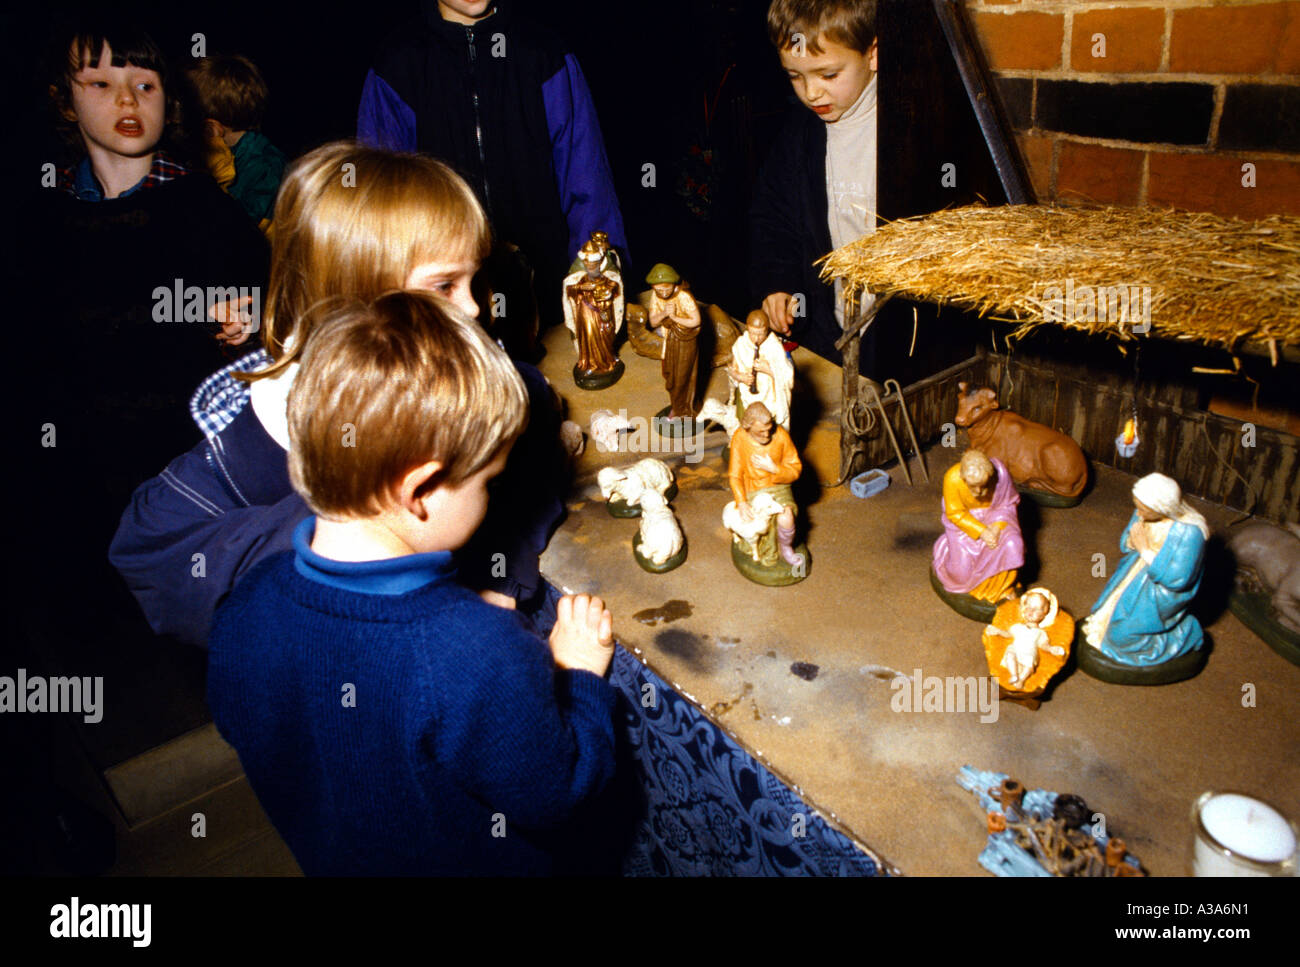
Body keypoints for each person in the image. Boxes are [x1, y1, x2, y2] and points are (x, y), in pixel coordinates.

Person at [207, 292, 618, 875]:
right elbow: (559, 794)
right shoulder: (474, 651)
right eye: (489, 482)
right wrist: (573, 676)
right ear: (420, 490)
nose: (492, 497)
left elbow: (256, 718)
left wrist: (444, 619)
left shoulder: (244, 606)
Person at [110, 142, 568, 649]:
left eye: (473, 280)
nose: (474, 308)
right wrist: (342, 530)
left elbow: (533, 435)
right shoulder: (268, 431)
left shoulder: (476, 381)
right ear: (361, 302)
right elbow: (147, 550)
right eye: (444, 286)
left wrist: (500, 578)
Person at [358, 0, 628, 341]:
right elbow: (380, 212)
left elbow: (589, 185)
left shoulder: (546, 54)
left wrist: (601, 285)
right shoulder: (397, 64)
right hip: (444, 318)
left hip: (552, 312)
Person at [750, 0, 879, 364]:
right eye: (795, 75)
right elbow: (774, 218)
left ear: (872, 54)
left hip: (895, 339)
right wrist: (778, 282)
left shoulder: (908, 128)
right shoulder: (800, 133)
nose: (810, 93)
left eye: (828, 75)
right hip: (826, 329)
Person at [1082, 473, 1210, 666]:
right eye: (1137, 506)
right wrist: (1132, 542)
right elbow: (1127, 542)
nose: (1139, 514)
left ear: (1163, 508)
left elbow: (1178, 580)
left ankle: (1187, 633)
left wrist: (1145, 549)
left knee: (1121, 638)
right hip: (1136, 574)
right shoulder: (1144, 511)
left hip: (1162, 590)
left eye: (1144, 510)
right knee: (1106, 612)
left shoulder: (1189, 533)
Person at [185, 53, 288, 231]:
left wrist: (217, 162)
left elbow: (231, 227)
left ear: (211, 126)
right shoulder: (223, 149)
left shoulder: (266, 166)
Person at [932, 450, 1024, 603]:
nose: (979, 492)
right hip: (964, 523)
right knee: (959, 574)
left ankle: (1002, 588)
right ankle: (946, 548)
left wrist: (996, 527)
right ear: (963, 478)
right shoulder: (952, 478)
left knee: (1013, 544)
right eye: (973, 486)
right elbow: (955, 513)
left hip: (997, 516)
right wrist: (982, 532)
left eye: (984, 485)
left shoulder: (1001, 474)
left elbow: (1007, 503)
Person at [728, 402, 804, 570]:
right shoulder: (739, 438)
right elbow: (735, 475)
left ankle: (785, 548)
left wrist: (774, 468)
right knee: (759, 522)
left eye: (769, 429)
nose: (767, 435)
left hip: (778, 484)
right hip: (753, 488)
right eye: (760, 432)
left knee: (786, 516)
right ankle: (764, 551)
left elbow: (796, 468)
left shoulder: (781, 436)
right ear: (747, 428)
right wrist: (741, 501)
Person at [563, 238, 624, 382]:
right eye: (588, 265)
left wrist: (605, 292)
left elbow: (614, 288)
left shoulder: (607, 279)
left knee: (604, 337)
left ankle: (607, 361)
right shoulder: (580, 280)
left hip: (602, 314)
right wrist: (580, 288)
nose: (591, 267)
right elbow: (570, 289)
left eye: (594, 265)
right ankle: (589, 363)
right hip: (585, 312)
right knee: (588, 336)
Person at [646, 264, 701, 420]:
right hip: (669, 342)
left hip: (685, 343)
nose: (663, 293)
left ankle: (681, 409)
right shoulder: (656, 296)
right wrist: (665, 312)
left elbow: (696, 321)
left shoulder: (683, 296)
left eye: (666, 289)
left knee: (682, 376)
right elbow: (653, 322)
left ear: (674, 285)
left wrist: (675, 318)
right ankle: (677, 405)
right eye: (659, 290)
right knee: (670, 376)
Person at [986, 589, 1065, 690]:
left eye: (1037, 609)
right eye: (1028, 607)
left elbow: (1044, 645)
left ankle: (1022, 680)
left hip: (1029, 653)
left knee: (1029, 664)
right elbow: (1008, 634)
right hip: (1015, 648)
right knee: (1010, 655)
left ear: (1044, 614)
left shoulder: (1041, 633)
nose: (1031, 611)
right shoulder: (1017, 626)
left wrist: (1052, 649)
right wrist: (997, 631)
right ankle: (1014, 675)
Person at [728, 309, 794, 428]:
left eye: (760, 334)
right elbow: (732, 369)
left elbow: (787, 376)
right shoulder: (741, 344)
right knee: (746, 423)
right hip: (746, 395)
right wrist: (740, 377)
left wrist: (768, 369)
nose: (756, 338)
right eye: (752, 333)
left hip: (769, 399)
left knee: (767, 425)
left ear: (767, 330)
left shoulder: (774, 347)